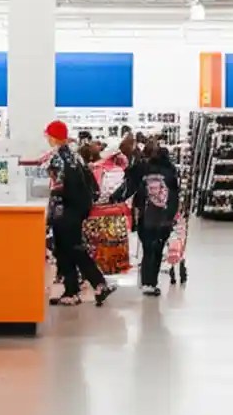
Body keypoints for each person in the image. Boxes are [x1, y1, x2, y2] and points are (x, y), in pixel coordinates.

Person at [45, 120, 117, 307]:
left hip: (64, 212)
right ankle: (72, 292)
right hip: (78, 210)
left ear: (53, 138)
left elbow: (57, 188)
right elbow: (90, 183)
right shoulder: (76, 157)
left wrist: (49, 215)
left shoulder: (57, 159)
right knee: (68, 251)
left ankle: (99, 284)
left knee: (72, 250)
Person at [110, 137, 180, 296]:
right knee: (158, 249)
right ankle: (151, 281)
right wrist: (173, 215)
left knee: (148, 249)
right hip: (164, 217)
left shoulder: (141, 169)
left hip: (145, 216)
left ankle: (147, 282)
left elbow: (128, 187)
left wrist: (113, 199)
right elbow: (175, 195)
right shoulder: (170, 171)